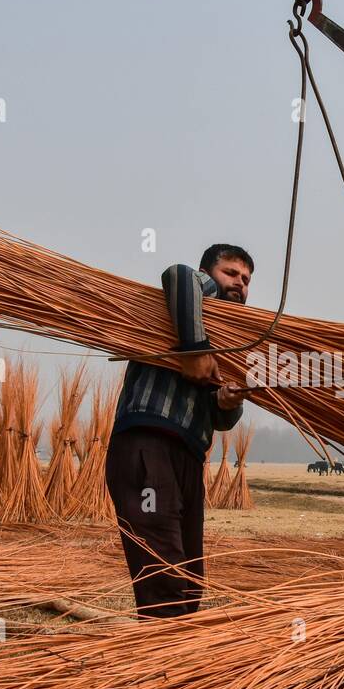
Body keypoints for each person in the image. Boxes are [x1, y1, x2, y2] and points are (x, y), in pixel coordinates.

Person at [105, 244, 253, 618]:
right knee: (163, 570)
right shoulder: (191, 301)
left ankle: (179, 657)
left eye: (247, 280)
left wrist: (227, 402)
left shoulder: (232, 341)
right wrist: (194, 349)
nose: (239, 284)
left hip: (188, 457)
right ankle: (164, 666)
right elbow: (178, 274)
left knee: (189, 575)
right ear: (210, 273)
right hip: (148, 446)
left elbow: (220, 420)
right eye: (231, 273)